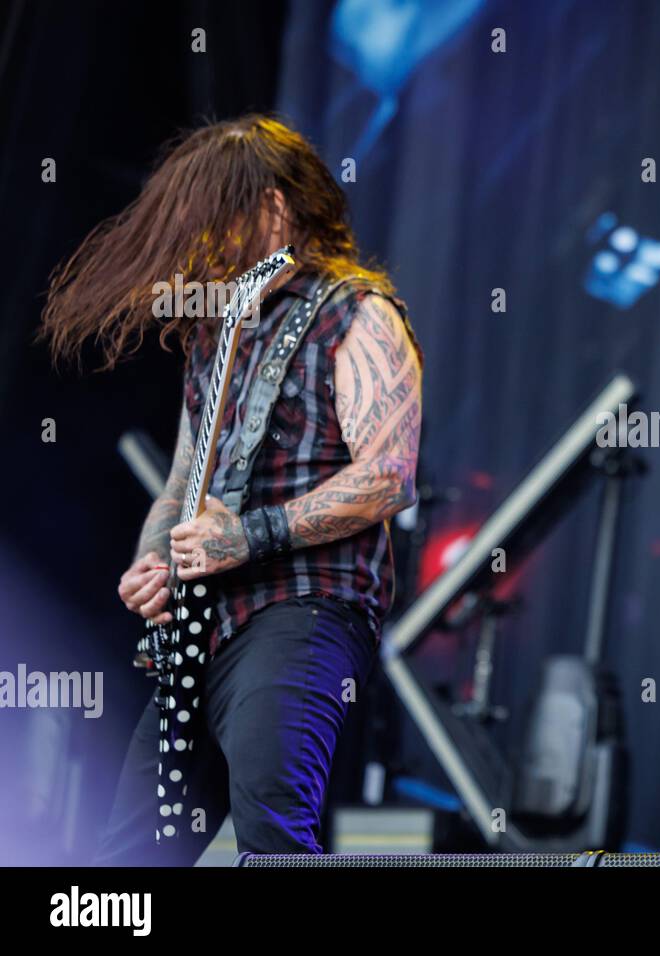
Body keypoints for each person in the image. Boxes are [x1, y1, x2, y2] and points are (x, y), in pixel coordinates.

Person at [39, 115, 424, 864]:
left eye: (216, 219)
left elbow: (389, 474)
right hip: (201, 624)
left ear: (276, 211)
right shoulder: (222, 330)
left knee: (272, 828)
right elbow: (185, 479)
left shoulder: (358, 313)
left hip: (304, 609)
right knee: (130, 856)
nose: (199, 241)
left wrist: (247, 537)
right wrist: (155, 560)